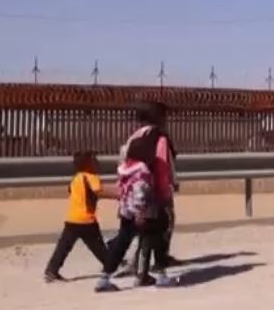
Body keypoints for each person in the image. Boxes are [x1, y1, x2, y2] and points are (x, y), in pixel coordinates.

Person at [95, 106, 179, 291]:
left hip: (128, 198)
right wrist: (164, 194)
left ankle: (105, 276)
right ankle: (158, 275)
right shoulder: (159, 137)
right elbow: (162, 167)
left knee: (125, 237)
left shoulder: (134, 137)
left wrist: (124, 193)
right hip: (149, 195)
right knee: (158, 235)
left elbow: (122, 167)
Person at [44, 151, 110, 283]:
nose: (96, 163)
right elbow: (99, 192)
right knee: (98, 246)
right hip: (87, 219)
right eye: (93, 161)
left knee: (63, 247)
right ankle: (111, 264)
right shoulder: (91, 177)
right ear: (88, 163)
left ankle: (52, 270)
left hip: (72, 218)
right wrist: (119, 194)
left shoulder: (76, 178)